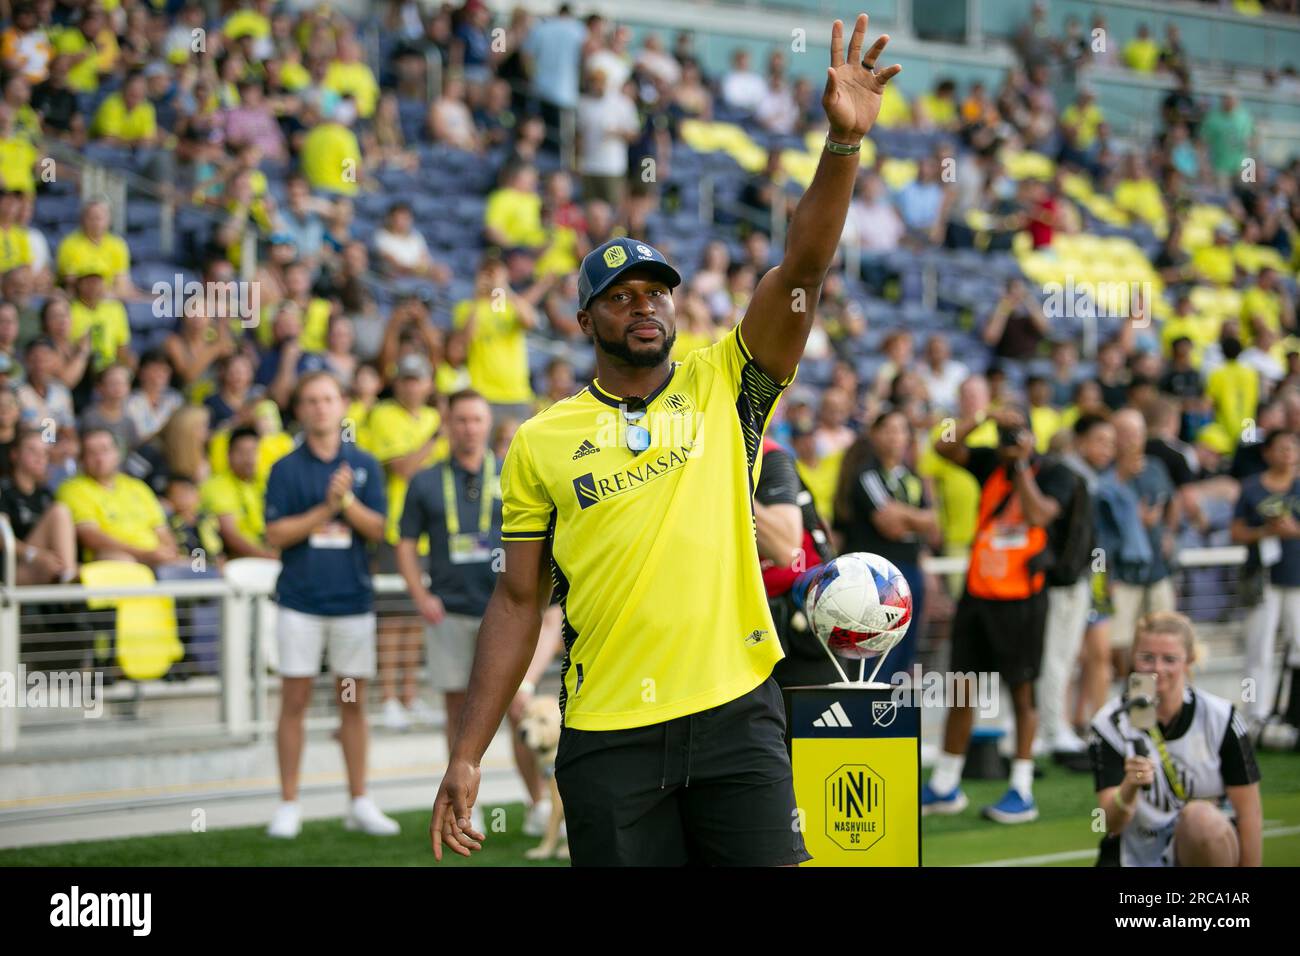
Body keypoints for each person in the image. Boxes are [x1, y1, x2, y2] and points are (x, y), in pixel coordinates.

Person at [430, 15, 901, 866]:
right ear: (584, 321)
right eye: (620, 295)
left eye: (657, 291)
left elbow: (801, 271)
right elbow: (516, 603)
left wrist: (841, 146)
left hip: (738, 717)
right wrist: (467, 751)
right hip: (609, 737)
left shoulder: (730, 381)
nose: (643, 304)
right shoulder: (539, 440)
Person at [398, 389, 545, 834]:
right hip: (451, 612)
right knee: (458, 713)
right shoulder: (425, 481)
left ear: (488, 424)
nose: (469, 428)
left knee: (519, 708)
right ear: (448, 424)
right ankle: (465, 804)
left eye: (477, 420)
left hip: (505, 612)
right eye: (460, 420)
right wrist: (420, 594)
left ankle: (537, 803)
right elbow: (404, 543)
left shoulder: (509, 472)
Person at [921, 406, 1077, 823]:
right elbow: (942, 447)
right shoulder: (990, 462)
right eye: (1008, 435)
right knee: (962, 688)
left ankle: (1022, 789)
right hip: (978, 595)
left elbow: (1039, 514)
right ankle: (944, 785)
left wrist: (1022, 464)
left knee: (1021, 694)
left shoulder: (1055, 473)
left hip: (1023, 600)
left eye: (1018, 433)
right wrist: (984, 414)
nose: (1010, 442)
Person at [262, 371, 397, 840]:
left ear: (342, 405)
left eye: (327, 398)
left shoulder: (365, 463)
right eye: (310, 400)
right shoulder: (285, 468)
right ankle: (288, 802)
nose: (320, 407)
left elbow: (380, 530)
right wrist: (326, 508)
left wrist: (347, 502)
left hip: (352, 603)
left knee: (353, 703)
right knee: (294, 701)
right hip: (299, 602)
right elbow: (275, 535)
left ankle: (359, 799)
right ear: (299, 409)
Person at [1089, 612, 1262, 867]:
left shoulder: (1220, 718)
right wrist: (1130, 786)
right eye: (1147, 658)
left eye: (1169, 659)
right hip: (1135, 852)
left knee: (1201, 821)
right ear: (1133, 657)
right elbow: (1110, 824)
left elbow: (1249, 814)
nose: (1158, 669)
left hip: (1204, 848)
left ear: (1189, 659)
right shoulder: (1109, 724)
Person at [832, 409, 937, 679]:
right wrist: (916, 519)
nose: (896, 437)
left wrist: (906, 516)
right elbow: (889, 525)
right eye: (889, 430)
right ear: (875, 435)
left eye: (902, 430)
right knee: (877, 653)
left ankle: (893, 716)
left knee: (904, 652)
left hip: (910, 569)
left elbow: (933, 522)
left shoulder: (910, 476)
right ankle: (866, 715)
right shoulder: (866, 474)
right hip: (877, 577)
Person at [1095, 409, 1177, 673]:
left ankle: (1155, 702)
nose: (1133, 440)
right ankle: (1127, 697)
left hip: (1156, 570)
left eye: (1138, 433)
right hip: (1121, 573)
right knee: (1119, 644)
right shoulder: (1105, 474)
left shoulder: (1155, 466)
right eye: (1126, 434)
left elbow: (1173, 502)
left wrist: (1168, 531)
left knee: (1163, 638)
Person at [755, 437, 839, 688]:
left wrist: (724, 479)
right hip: (755, 619)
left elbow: (784, 550)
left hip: (802, 617)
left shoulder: (769, 455)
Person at [1231, 430, 1300, 733]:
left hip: (1296, 577)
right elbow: (1236, 531)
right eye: (1282, 448)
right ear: (1268, 453)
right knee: (1258, 648)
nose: (1288, 454)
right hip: (1263, 579)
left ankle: (1294, 711)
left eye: (1292, 448)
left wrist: (1293, 530)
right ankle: (1252, 712)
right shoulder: (1251, 488)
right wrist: (1267, 532)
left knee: (1298, 647)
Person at [55, 428, 179, 567]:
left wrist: (168, 552)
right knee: (123, 561)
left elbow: (161, 529)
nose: (99, 458)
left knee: (200, 567)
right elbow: (90, 536)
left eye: (105, 450)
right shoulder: (73, 488)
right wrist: (143, 555)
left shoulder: (137, 487)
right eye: (92, 453)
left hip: (155, 557)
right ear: (82, 460)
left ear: (118, 454)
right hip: (114, 559)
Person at [0, 427, 77, 584]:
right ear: (15, 454)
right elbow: (2, 538)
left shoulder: (45, 494)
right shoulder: (4, 490)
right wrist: (35, 555)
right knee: (59, 511)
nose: (40, 457)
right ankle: (69, 582)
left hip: (43, 566)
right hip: (9, 570)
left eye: (45, 453)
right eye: (32, 451)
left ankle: (68, 576)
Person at [200, 426, 276, 560]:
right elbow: (231, 536)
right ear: (229, 455)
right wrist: (268, 556)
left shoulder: (266, 480)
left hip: (269, 552)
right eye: (242, 452)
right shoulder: (217, 486)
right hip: (238, 559)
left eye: (253, 451)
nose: (248, 458)